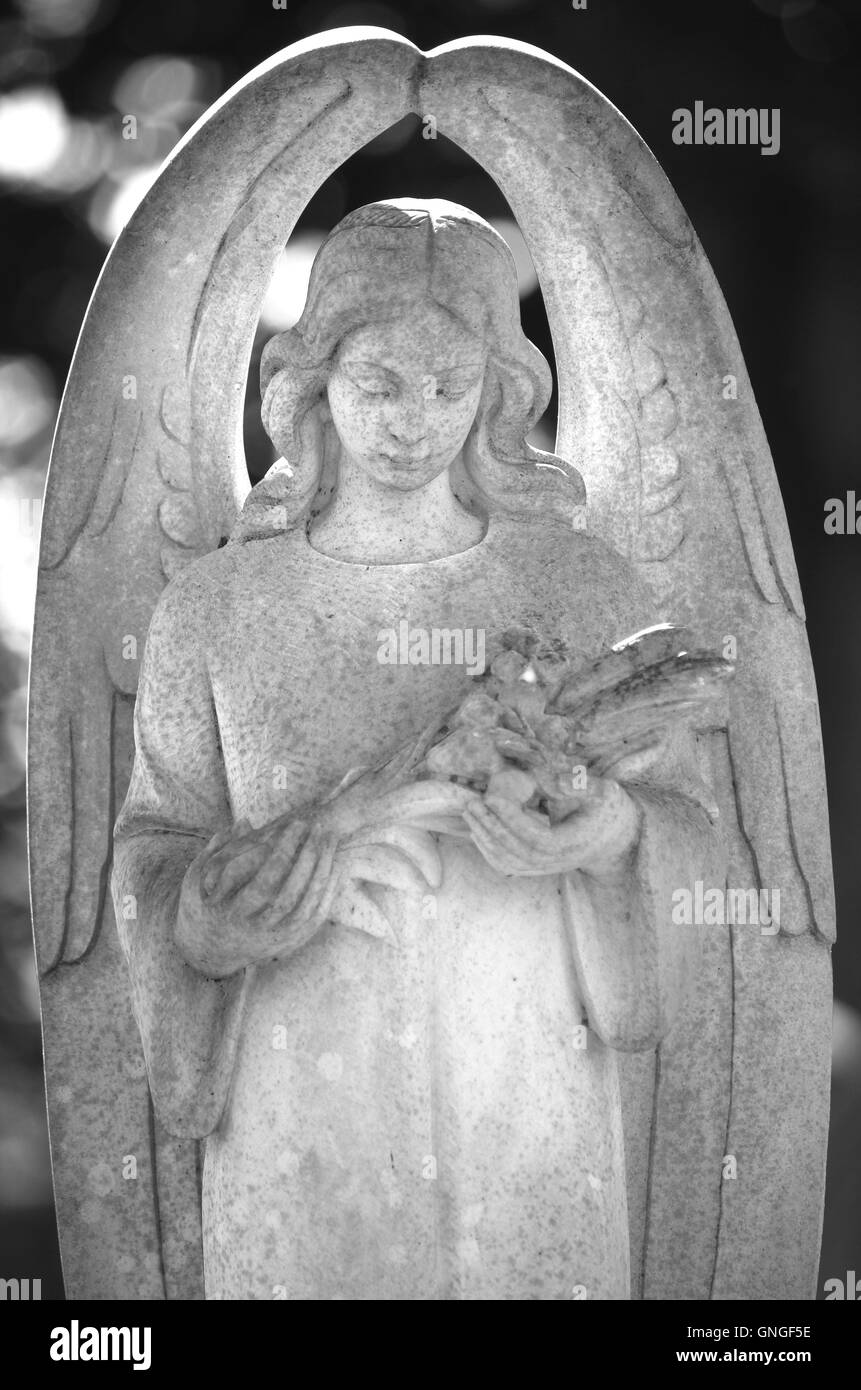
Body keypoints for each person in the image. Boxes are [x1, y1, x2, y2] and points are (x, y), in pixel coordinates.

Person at [112, 199, 721, 1300]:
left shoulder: (579, 588)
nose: (414, 421)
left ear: (502, 387)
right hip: (301, 1107)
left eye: (450, 386)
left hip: (528, 1097)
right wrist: (210, 913)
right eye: (380, 385)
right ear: (314, 381)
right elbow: (155, 844)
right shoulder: (215, 611)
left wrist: (610, 833)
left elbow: (690, 836)